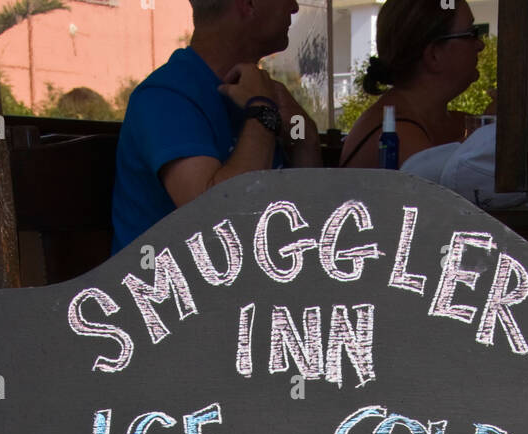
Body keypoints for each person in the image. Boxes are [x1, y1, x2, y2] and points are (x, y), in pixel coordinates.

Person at [111, 0, 320, 253]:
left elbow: (305, 229)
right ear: (249, 4)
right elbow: (220, 220)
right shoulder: (165, 97)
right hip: (174, 290)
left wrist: (303, 137)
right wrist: (263, 113)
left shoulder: (260, 92)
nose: (294, 7)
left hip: (249, 286)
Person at [340, 0, 484, 170]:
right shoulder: (399, 135)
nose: (480, 45)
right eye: (471, 34)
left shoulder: (452, 122)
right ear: (434, 55)